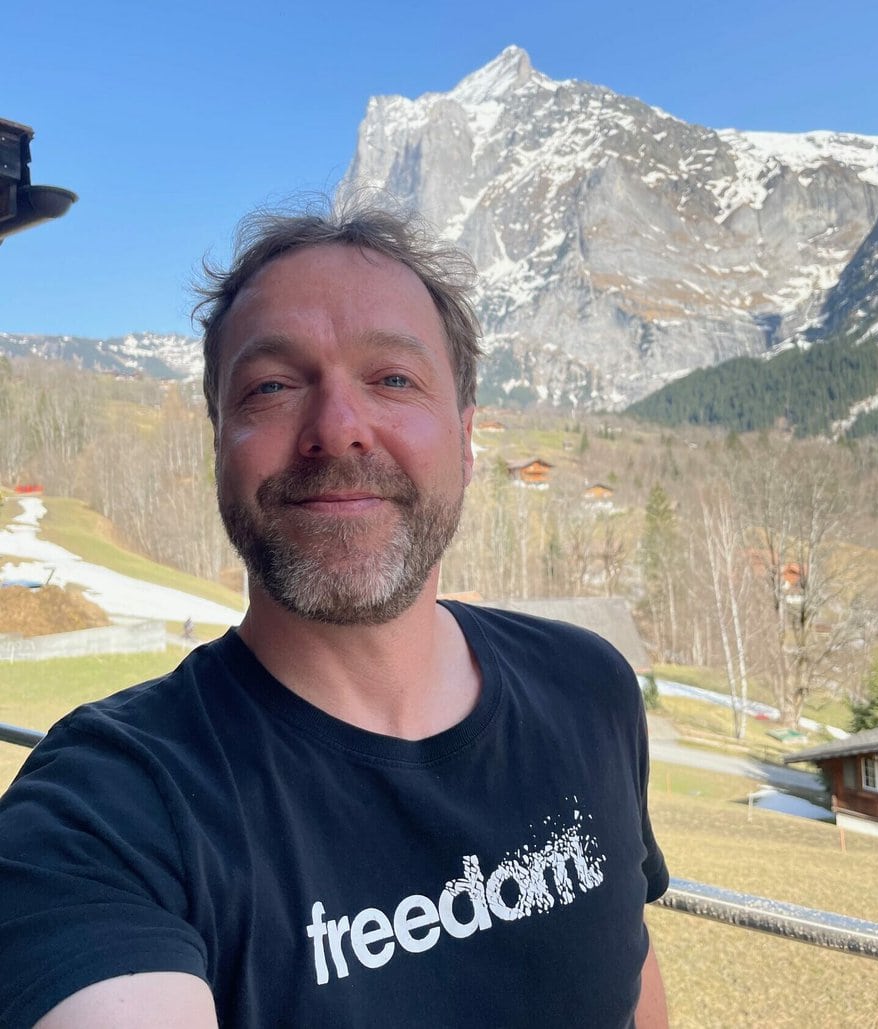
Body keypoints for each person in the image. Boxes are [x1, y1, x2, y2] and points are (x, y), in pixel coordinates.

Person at [0, 198, 669, 1028]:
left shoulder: (589, 688)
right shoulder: (109, 810)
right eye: (273, 386)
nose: (339, 429)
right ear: (219, 444)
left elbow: (632, 981)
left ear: (466, 439)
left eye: (392, 377)